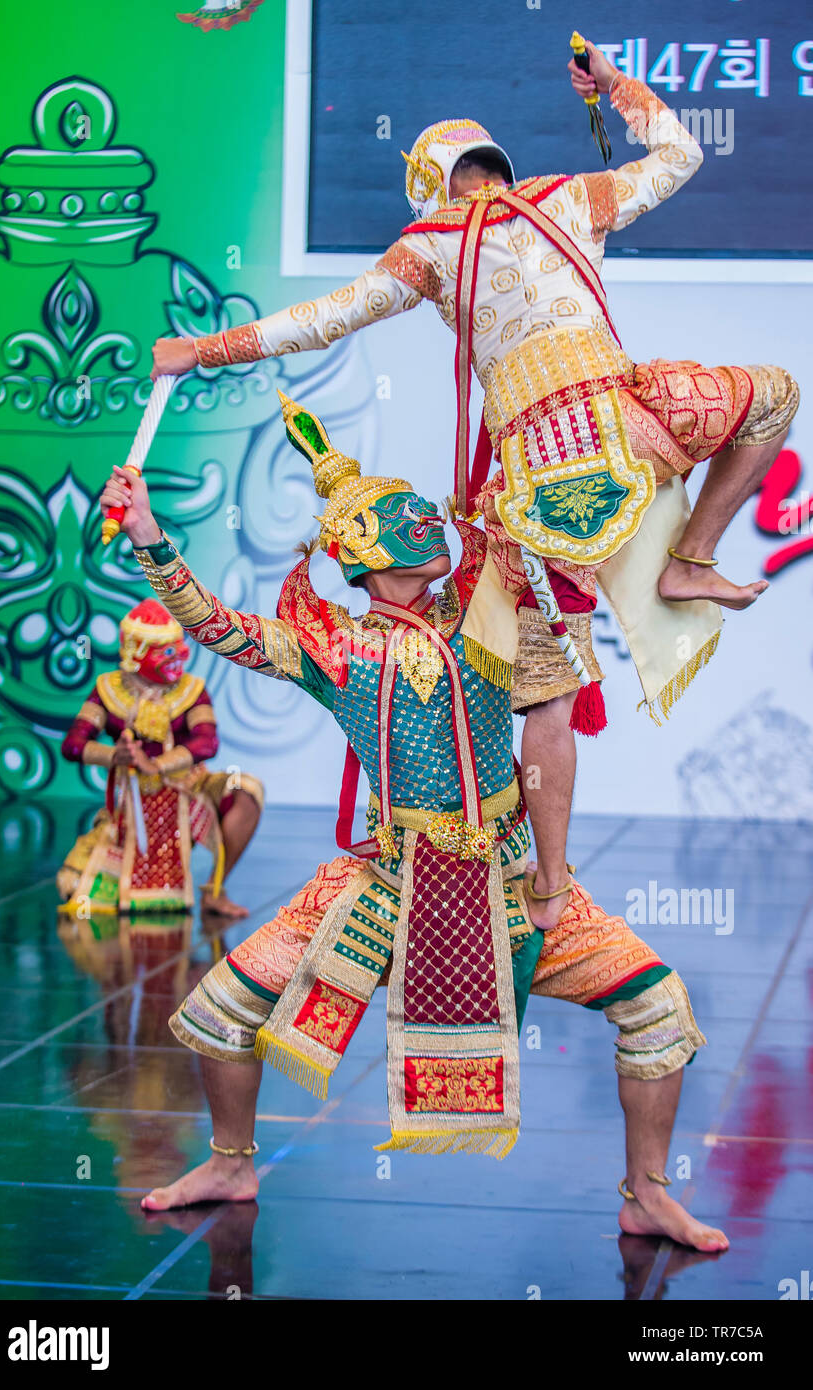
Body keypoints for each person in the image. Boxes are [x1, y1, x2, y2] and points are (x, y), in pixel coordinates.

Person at [148, 40, 799, 935]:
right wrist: (613, 87)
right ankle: (691, 559)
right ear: (498, 165)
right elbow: (682, 155)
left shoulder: (429, 245)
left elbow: (320, 320)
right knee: (773, 397)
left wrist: (200, 351)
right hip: (630, 429)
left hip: (533, 487)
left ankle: (550, 882)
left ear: (431, 185)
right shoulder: (571, 196)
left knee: (548, 692)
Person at [99, 390, 728, 1253]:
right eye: (403, 514)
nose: (425, 517)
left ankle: (647, 1194)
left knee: (658, 1006)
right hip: (386, 883)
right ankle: (232, 1162)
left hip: (509, 877)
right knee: (216, 1010)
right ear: (362, 549)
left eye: (420, 506)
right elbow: (214, 625)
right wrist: (146, 535)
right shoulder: (332, 646)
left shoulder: (486, 609)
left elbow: (522, 537)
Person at [57, 598, 263, 918]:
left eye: (179, 647)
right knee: (76, 890)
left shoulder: (192, 689)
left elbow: (207, 743)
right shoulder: (108, 690)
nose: (180, 655)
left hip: (189, 790)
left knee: (247, 791)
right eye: (167, 651)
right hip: (133, 801)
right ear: (137, 652)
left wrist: (157, 765)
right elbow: (72, 745)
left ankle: (215, 891)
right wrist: (116, 756)